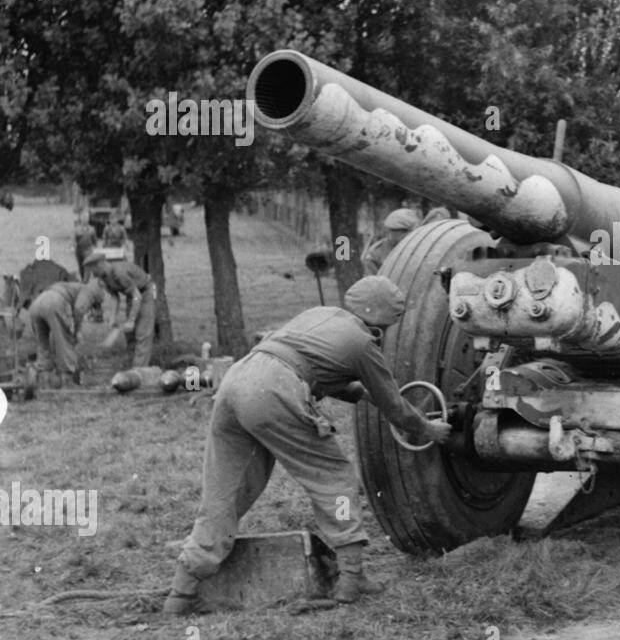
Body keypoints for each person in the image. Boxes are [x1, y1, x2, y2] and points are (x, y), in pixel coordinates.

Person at [162, 275, 448, 615]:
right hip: (275, 389)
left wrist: (359, 392)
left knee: (226, 493)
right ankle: (351, 578)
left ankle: (182, 590)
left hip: (237, 382)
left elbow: (307, 362)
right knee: (334, 478)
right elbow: (397, 409)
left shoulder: (320, 315)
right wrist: (429, 429)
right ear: (383, 323)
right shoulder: (363, 342)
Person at [84, 250, 157, 366]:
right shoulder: (103, 277)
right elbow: (114, 296)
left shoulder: (119, 273)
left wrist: (131, 320)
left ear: (100, 264)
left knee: (142, 332)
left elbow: (137, 296)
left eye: (93, 269)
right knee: (130, 334)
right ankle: (131, 366)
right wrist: (112, 317)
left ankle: (139, 371)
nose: (92, 273)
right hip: (132, 295)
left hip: (146, 292)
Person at [27, 277, 98, 388]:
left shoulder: (71, 286)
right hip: (53, 302)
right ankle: (67, 381)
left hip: (37, 303)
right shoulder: (88, 291)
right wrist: (77, 331)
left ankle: (44, 379)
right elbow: (79, 309)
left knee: (42, 343)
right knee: (64, 340)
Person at [361, 207, 422, 275]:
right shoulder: (376, 252)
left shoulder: (422, 247)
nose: (392, 235)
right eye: (391, 230)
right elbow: (371, 281)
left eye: (402, 231)